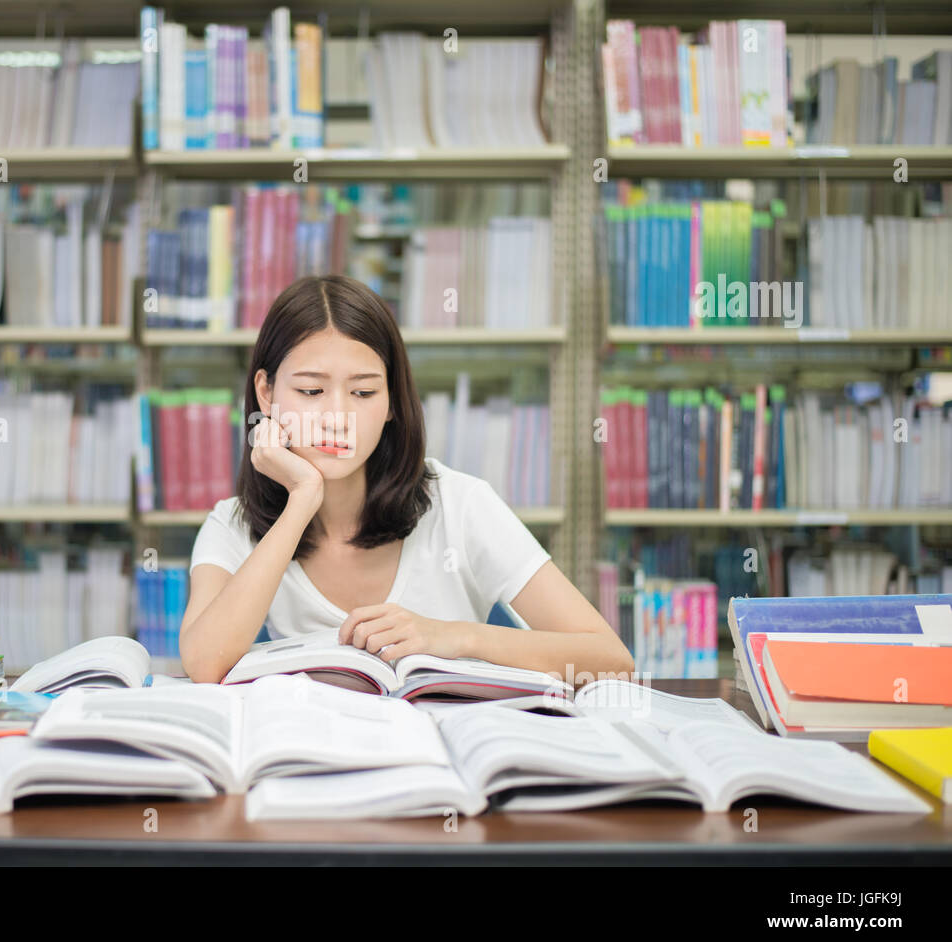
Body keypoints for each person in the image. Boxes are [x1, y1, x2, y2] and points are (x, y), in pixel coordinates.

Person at [179, 274, 633, 686]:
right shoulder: (231, 525)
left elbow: (611, 661)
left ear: (393, 401)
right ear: (266, 392)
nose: (337, 418)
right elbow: (204, 664)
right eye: (311, 391)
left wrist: (455, 638)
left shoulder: (461, 504)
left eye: (363, 392)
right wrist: (302, 499)